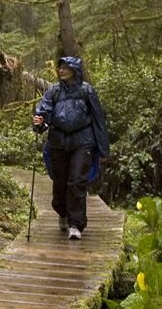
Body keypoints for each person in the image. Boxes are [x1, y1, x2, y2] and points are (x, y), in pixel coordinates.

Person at [32, 56, 109, 240]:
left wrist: (103, 148)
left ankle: (76, 224)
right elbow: (44, 111)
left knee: (77, 181)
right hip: (58, 142)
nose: (62, 70)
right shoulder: (54, 91)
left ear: (75, 70)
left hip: (83, 142)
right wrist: (39, 121)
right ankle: (63, 213)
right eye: (60, 68)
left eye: (66, 68)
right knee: (60, 183)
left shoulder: (86, 91)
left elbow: (98, 119)